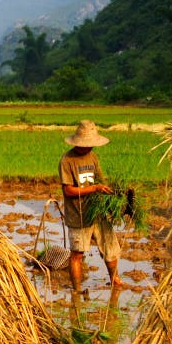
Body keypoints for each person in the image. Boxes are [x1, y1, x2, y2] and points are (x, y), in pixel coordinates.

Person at [58, 120, 123, 291]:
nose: (90, 147)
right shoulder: (67, 160)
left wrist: (113, 197)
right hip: (78, 215)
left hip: (98, 213)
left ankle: (115, 281)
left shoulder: (93, 156)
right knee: (77, 254)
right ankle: (77, 290)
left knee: (110, 249)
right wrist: (94, 188)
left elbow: (101, 181)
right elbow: (68, 191)